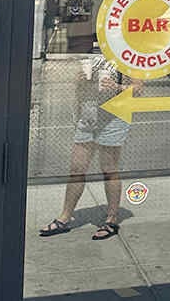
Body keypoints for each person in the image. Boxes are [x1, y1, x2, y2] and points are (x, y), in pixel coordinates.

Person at [40, 49, 142, 240]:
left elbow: (138, 88)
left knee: (108, 168)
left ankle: (111, 218)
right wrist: (80, 83)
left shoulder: (124, 54)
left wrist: (117, 86)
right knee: (77, 168)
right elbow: (80, 89)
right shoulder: (91, 56)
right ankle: (65, 216)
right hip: (88, 117)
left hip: (113, 118)